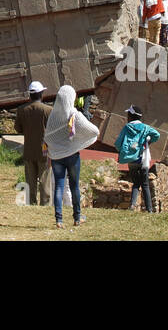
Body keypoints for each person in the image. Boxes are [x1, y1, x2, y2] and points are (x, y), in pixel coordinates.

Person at [42, 84, 99, 227]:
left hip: (56, 157)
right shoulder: (75, 115)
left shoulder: (53, 117)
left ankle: (59, 220)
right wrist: (77, 140)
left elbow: (48, 137)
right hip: (72, 156)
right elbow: (94, 131)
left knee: (59, 187)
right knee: (74, 186)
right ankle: (77, 217)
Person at [114, 105, 160, 212]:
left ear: (130, 116)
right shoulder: (145, 128)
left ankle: (132, 206)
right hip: (143, 158)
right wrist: (148, 141)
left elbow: (117, 143)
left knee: (136, 183)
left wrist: (123, 151)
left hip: (131, 159)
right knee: (145, 184)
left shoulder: (126, 128)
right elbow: (156, 135)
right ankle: (149, 209)